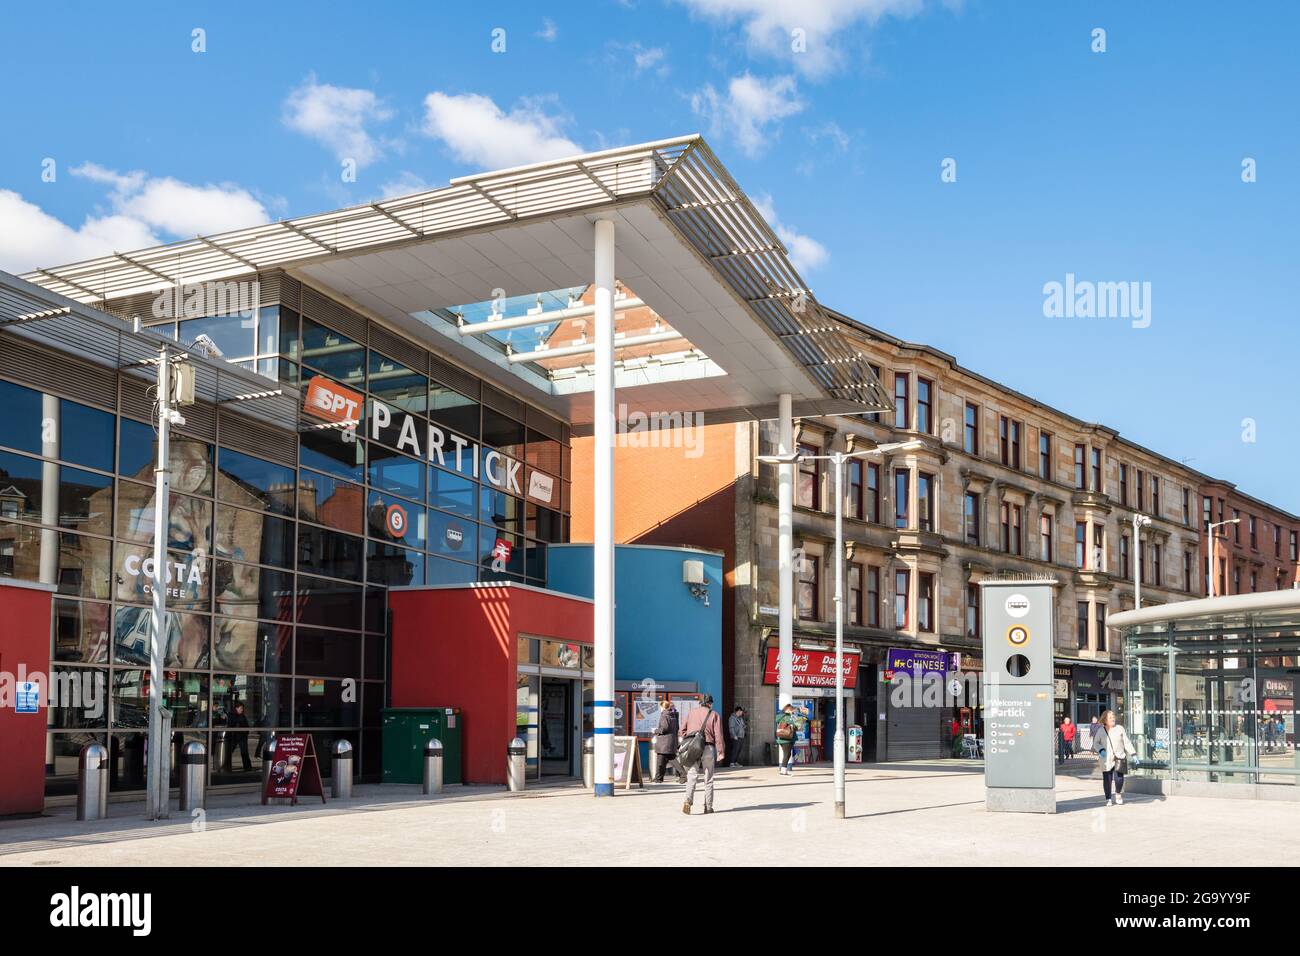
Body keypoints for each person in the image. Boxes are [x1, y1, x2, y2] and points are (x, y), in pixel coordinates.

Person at [679, 695, 724, 814]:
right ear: (710, 704)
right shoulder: (714, 714)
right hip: (708, 747)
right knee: (708, 778)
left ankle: (688, 802)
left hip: (693, 747)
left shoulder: (691, 713)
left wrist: (690, 738)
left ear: (700, 703)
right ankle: (708, 807)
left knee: (692, 776)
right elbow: (718, 734)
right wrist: (720, 751)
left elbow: (682, 731)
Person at [1091, 709, 1137, 806]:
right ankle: (1108, 798)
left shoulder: (1120, 728)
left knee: (1119, 778)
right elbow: (1096, 743)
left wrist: (1133, 754)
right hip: (1106, 759)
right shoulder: (1100, 730)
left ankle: (1118, 794)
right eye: (1110, 717)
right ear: (1105, 720)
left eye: (1113, 717)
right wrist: (1101, 750)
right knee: (1107, 779)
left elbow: (1126, 742)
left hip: (1119, 757)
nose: (1113, 719)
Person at [652, 699, 684, 784]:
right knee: (667, 759)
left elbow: (664, 728)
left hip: (664, 742)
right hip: (671, 741)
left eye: (660, 707)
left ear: (663, 707)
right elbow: (676, 728)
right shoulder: (673, 715)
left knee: (661, 761)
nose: (660, 708)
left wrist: (655, 730)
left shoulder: (664, 715)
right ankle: (659, 778)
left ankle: (659, 778)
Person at [224, 701, 252, 773]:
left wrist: (246, 733)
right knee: (229, 751)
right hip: (234, 736)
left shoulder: (242, 715)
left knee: (244, 752)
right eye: (241, 708)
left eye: (242, 708)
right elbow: (231, 724)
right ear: (236, 708)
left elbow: (246, 725)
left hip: (242, 736)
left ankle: (247, 767)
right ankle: (225, 766)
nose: (242, 710)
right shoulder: (231, 715)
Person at [775, 703, 803, 775]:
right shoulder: (787, 717)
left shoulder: (781, 716)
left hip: (782, 738)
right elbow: (794, 726)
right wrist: (798, 723)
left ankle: (783, 770)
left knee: (787, 754)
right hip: (787, 739)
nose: (792, 711)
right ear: (787, 710)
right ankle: (783, 770)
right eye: (791, 710)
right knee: (787, 754)